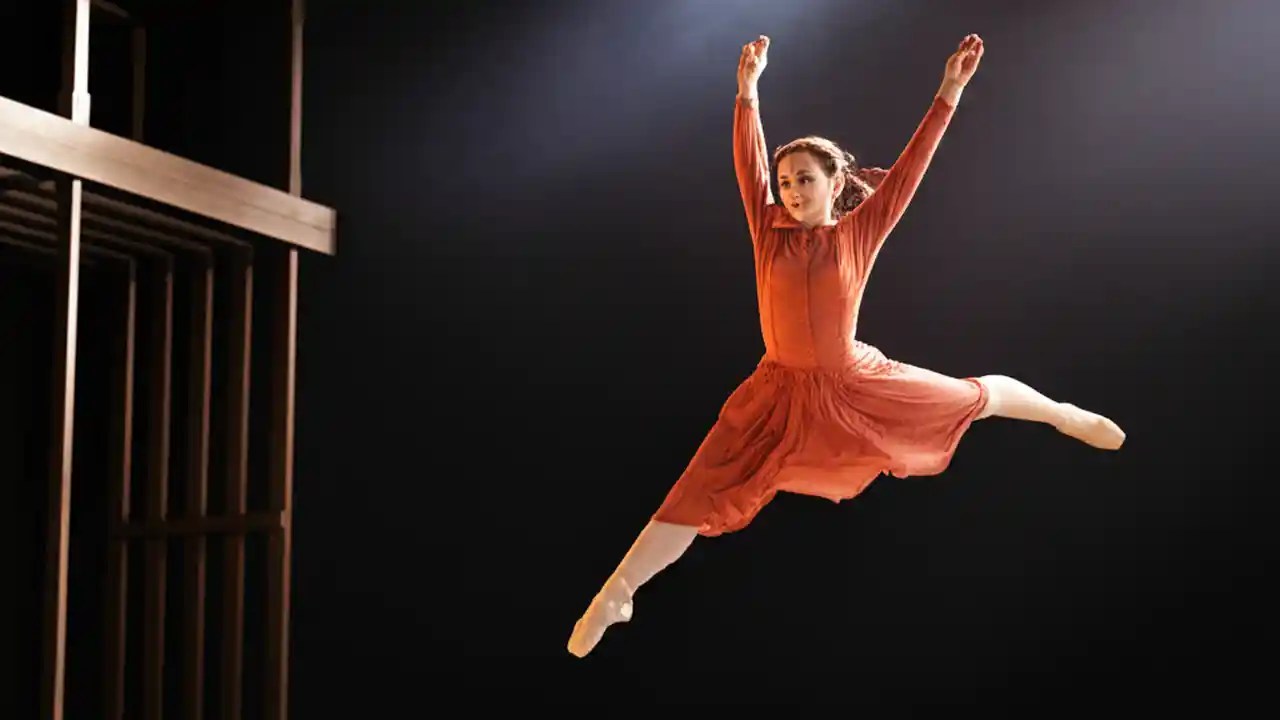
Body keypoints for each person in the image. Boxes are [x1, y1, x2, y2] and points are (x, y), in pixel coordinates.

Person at [567, 33, 1123, 659]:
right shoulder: (767, 231)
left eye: (805, 178)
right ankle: (617, 593)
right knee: (699, 485)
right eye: (785, 181)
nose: (792, 190)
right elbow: (747, 166)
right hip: (775, 387)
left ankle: (1061, 414)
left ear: (835, 184)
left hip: (853, 381)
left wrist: (949, 93)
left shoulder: (859, 234)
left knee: (971, 398)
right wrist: (747, 94)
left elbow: (911, 170)